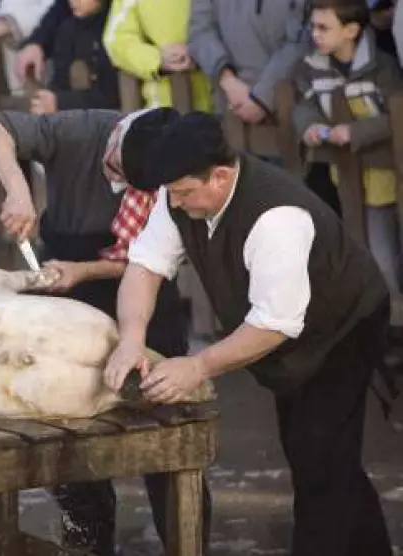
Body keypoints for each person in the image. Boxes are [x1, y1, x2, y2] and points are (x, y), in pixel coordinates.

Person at [104, 111, 396, 556]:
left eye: (184, 193)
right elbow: (144, 267)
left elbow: (272, 324)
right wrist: (131, 337)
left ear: (220, 176)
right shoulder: (178, 194)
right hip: (287, 330)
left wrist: (198, 366)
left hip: (344, 323)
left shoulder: (276, 218)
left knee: (318, 457)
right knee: (323, 455)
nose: (176, 203)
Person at [0, 106, 211, 555]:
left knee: (164, 428)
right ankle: (88, 536)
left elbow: (154, 258)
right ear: (116, 146)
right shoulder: (82, 129)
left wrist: (86, 271)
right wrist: (19, 189)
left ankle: (190, 542)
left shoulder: (174, 165)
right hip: (66, 283)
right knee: (66, 423)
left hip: (143, 287)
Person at [294, 0, 403, 292]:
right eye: (312, 26)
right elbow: (303, 104)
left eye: (324, 27)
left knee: (383, 251)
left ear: (351, 29)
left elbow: (395, 117)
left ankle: (392, 316)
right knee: (350, 250)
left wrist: (355, 131)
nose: (314, 34)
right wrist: (311, 126)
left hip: (382, 177)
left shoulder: (382, 67)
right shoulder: (310, 68)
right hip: (338, 177)